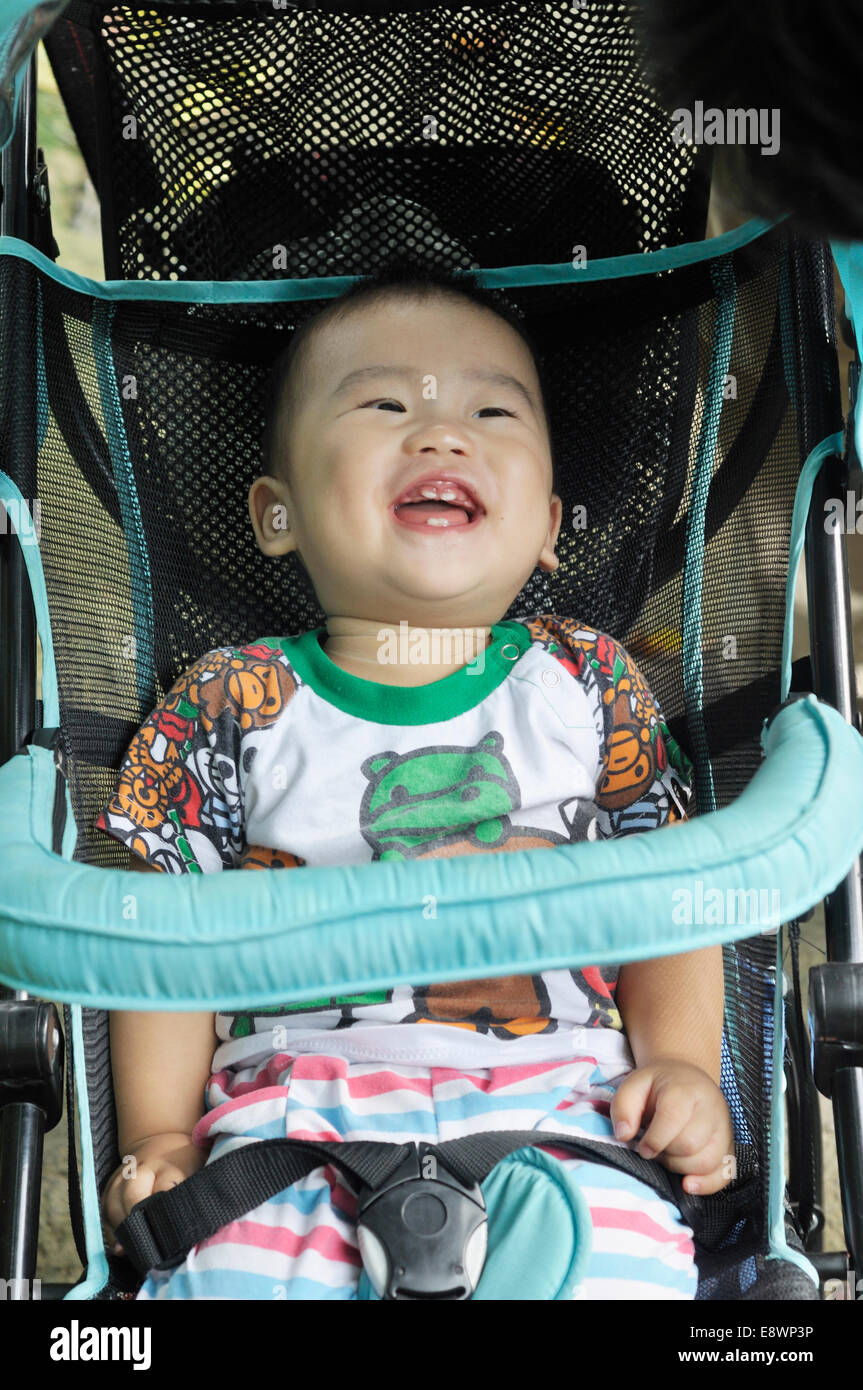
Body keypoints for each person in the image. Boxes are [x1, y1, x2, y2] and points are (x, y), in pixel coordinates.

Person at [97, 257, 733, 1300]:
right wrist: (162, 1133)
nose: (442, 432)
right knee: (218, 1279)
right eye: (385, 402)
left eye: (491, 409)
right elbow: (157, 938)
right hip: (287, 1119)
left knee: (619, 1266)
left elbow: (664, 895)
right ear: (276, 512)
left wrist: (679, 1069)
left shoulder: (584, 683)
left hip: (562, 1114)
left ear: (542, 529)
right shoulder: (228, 702)